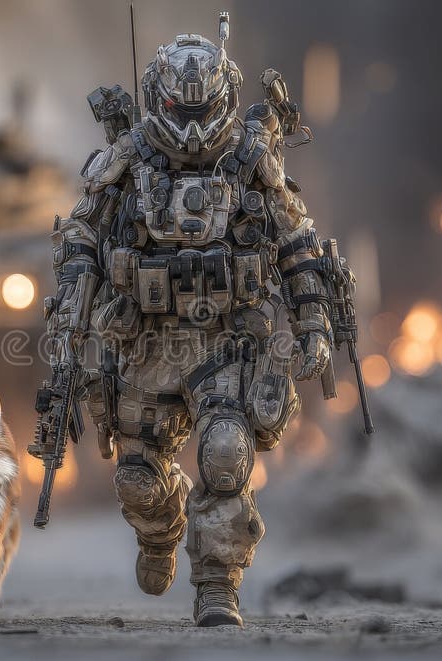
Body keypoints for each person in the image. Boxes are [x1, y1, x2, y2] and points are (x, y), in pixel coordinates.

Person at [40, 19, 334, 627]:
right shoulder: (125, 159)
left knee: (226, 454)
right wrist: (70, 318)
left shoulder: (250, 159)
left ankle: (217, 586)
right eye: (181, 108)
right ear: (158, 97)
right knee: (138, 486)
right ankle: (161, 527)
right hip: (145, 345)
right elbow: (81, 238)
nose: (194, 125)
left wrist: (314, 323)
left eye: (204, 109)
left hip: (223, 341)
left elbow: (298, 242)